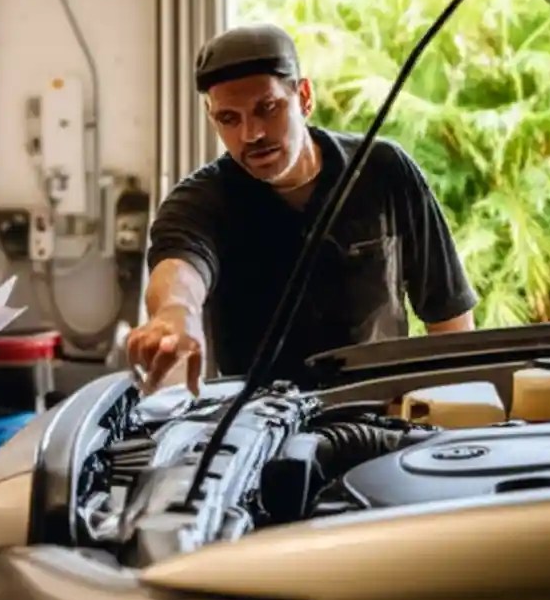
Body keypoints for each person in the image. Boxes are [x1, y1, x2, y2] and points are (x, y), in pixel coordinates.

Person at [128, 23, 477, 395]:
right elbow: (180, 271)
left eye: (267, 108)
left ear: (305, 96)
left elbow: (449, 319)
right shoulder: (199, 201)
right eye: (229, 118)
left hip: (381, 419)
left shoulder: (384, 171)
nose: (251, 134)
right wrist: (175, 314)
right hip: (256, 431)